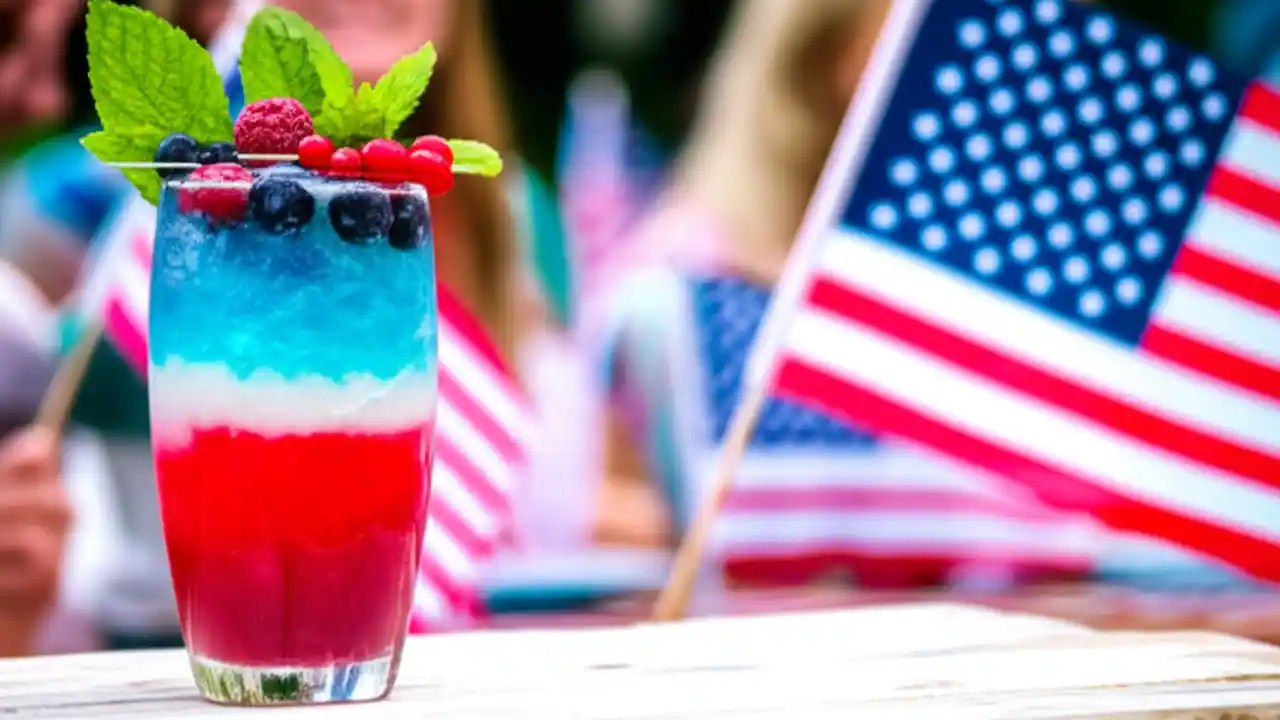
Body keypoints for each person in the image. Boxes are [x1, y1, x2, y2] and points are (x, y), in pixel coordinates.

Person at [0, 0, 579, 653]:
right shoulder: (92, 196)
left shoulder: (510, 211)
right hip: (168, 652)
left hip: (426, 650)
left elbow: (556, 483)